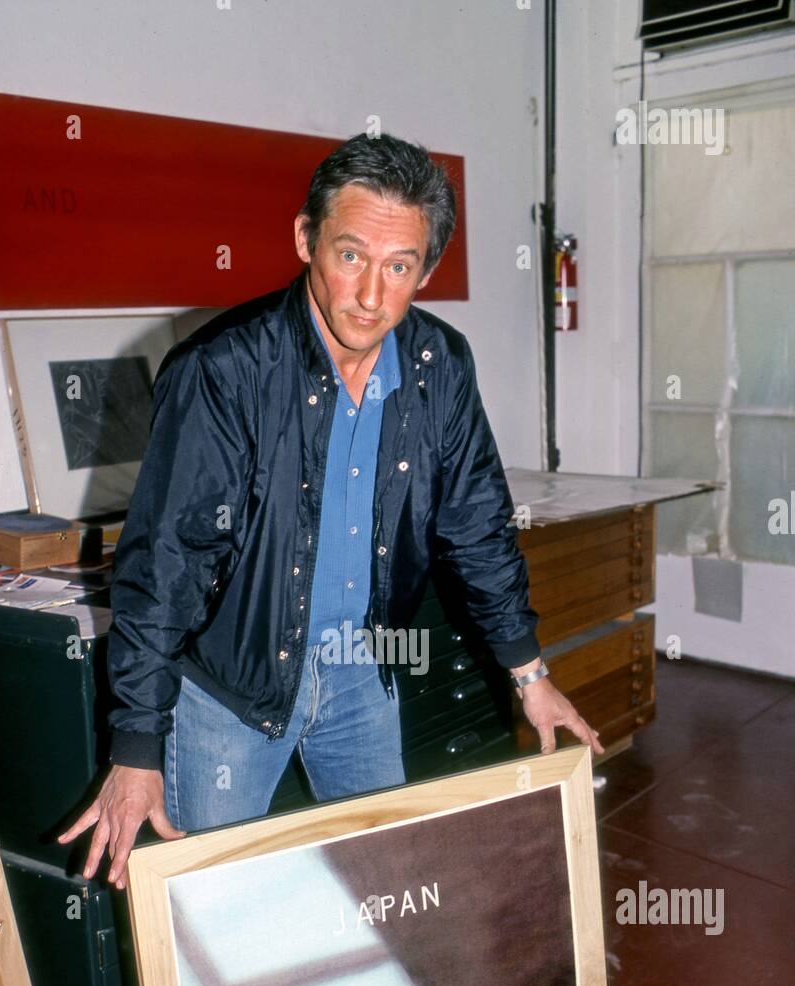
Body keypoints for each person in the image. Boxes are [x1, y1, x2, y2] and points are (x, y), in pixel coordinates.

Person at [59, 132, 602, 889]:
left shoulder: (438, 364)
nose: (372, 296)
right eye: (351, 256)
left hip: (359, 677)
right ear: (305, 239)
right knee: (219, 906)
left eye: (399, 266)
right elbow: (166, 567)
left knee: (386, 883)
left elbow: (476, 522)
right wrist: (137, 747)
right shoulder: (223, 371)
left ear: (426, 270)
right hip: (230, 689)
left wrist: (529, 673)